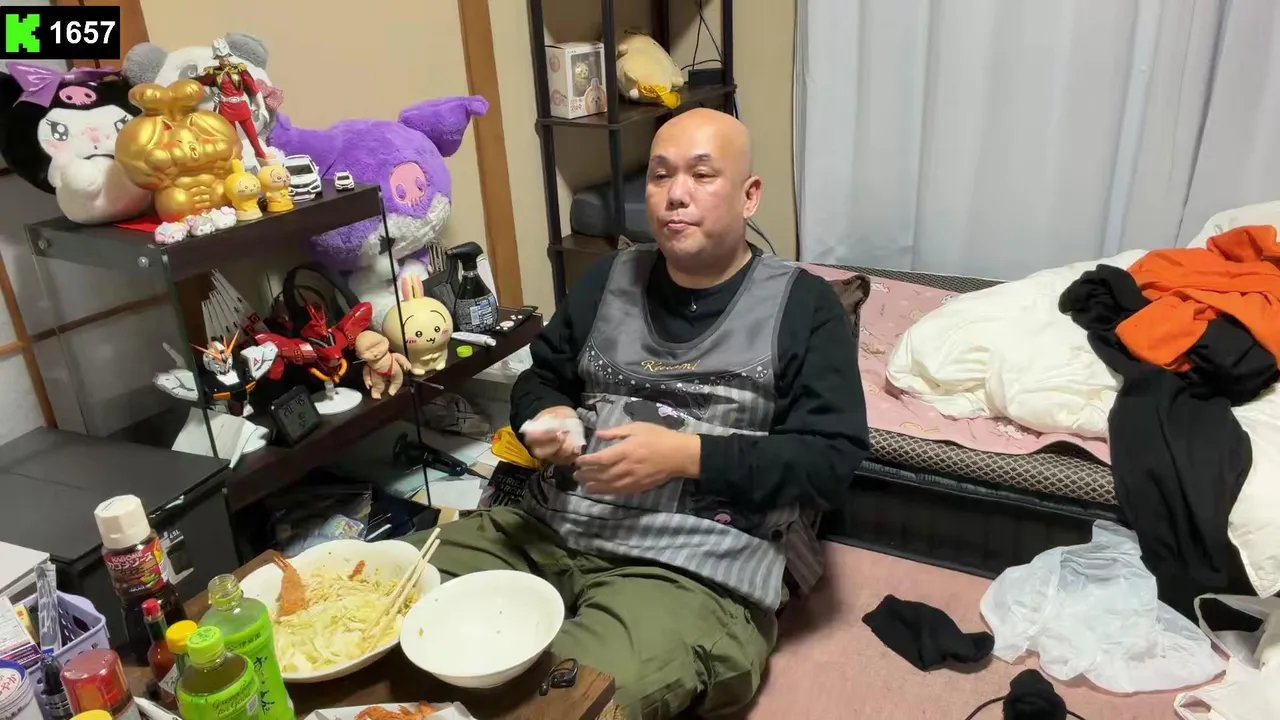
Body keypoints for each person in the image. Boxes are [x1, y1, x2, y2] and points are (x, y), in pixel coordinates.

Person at [416, 108, 868, 718]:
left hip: (692, 565)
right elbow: (540, 377)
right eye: (660, 175)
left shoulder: (804, 305)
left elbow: (831, 458)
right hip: (548, 527)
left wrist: (687, 456)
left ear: (749, 195)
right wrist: (549, 415)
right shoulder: (608, 277)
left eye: (702, 175)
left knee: (563, 702)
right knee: (381, 605)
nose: (676, 194)